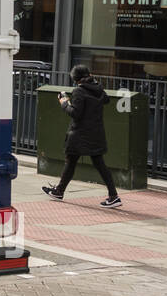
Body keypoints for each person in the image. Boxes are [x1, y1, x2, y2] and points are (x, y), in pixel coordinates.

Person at [43, 65, 122, 208]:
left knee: (71, 161)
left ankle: (59, 191)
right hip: (95, 133)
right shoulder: (98, 89)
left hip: (80, 133)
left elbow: (75, 114)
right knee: (97, 163)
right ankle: (113, 196)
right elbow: (106, 100)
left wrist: (64, 103)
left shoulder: (79, 91)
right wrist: (95, 82)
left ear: (75, 79)